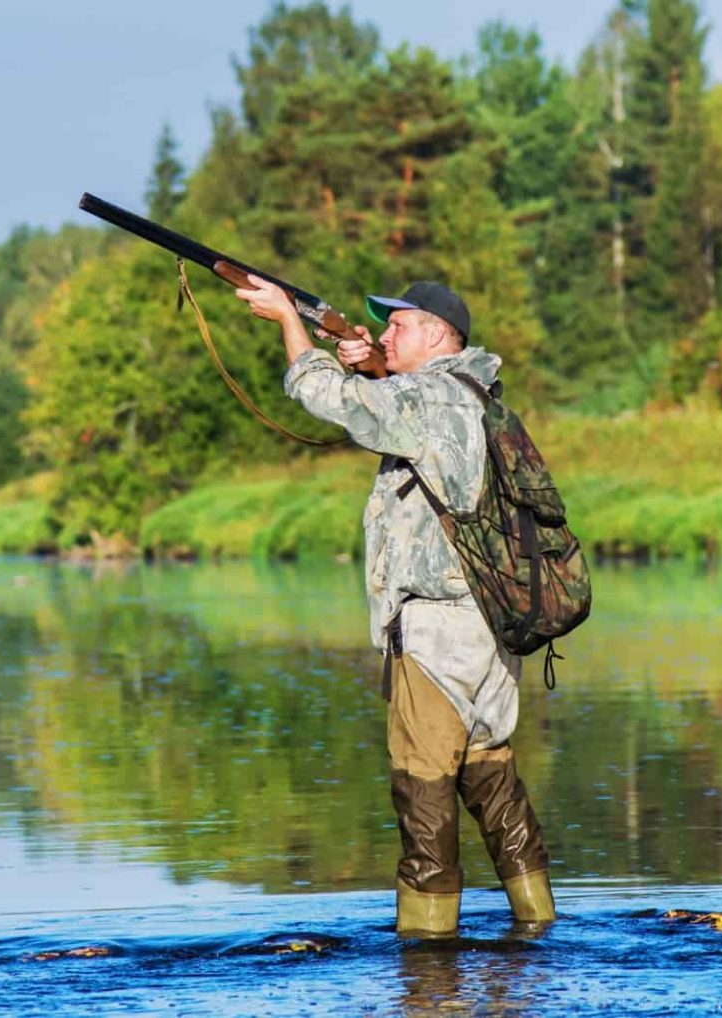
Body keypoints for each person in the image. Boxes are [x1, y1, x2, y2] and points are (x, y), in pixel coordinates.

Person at [232, 274, 555, 937]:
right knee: (492, 786)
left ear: (438, 336)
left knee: (424, 792)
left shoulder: (429, 395)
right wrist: (378, 366)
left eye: (398, 326)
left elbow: (328, 398)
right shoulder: (471, 394)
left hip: (436, 632)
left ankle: (429, 963)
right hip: (490, 632)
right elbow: (401, 419)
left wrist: (288, 324)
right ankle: (539, 929)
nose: (383, 334)